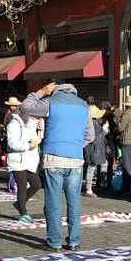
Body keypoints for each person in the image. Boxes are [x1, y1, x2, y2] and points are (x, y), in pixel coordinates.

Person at [20, 81, 93, 251]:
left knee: (53, 201)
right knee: (74, 202)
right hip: (75, 159)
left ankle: (54, 241)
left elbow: (25, 107)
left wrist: (41, 91)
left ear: (55, 90)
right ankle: (74, 241)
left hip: (53, 158)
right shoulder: (84, 106)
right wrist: (75, 145)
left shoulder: (51, 103)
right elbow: (90, 135)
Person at [5, 95, 41, 223]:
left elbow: (35, 136)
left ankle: (20, 203)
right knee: (21, 185)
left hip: (29, 159)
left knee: (37, 184)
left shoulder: (31, 123)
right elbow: (12, 143)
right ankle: (23, 212)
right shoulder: (13, 123)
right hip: (17, 159)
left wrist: (37, 139)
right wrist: (27, 145)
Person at [83, 103, 108, 197]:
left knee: (93, 167)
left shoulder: (89, 122)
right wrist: (104, 131)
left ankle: (92, 186)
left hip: (93, 148)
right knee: (91, 167)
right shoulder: (93, 123)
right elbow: (95, 137)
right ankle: (89, 189)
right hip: (94, 149)